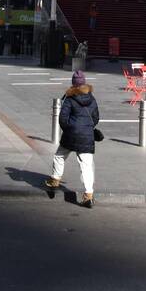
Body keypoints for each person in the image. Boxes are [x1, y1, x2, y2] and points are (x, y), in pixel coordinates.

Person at [45, 70, 100, 208]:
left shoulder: (69, 98)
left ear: (73, 84)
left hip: (71, 134)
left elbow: (62, 118)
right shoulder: (91, 98)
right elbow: (96, 118)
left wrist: (69, 129)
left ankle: (55, 180)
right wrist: (87, 127)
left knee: (59, 156)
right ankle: (88, 195)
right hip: (87, 136)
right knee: (86, 165)